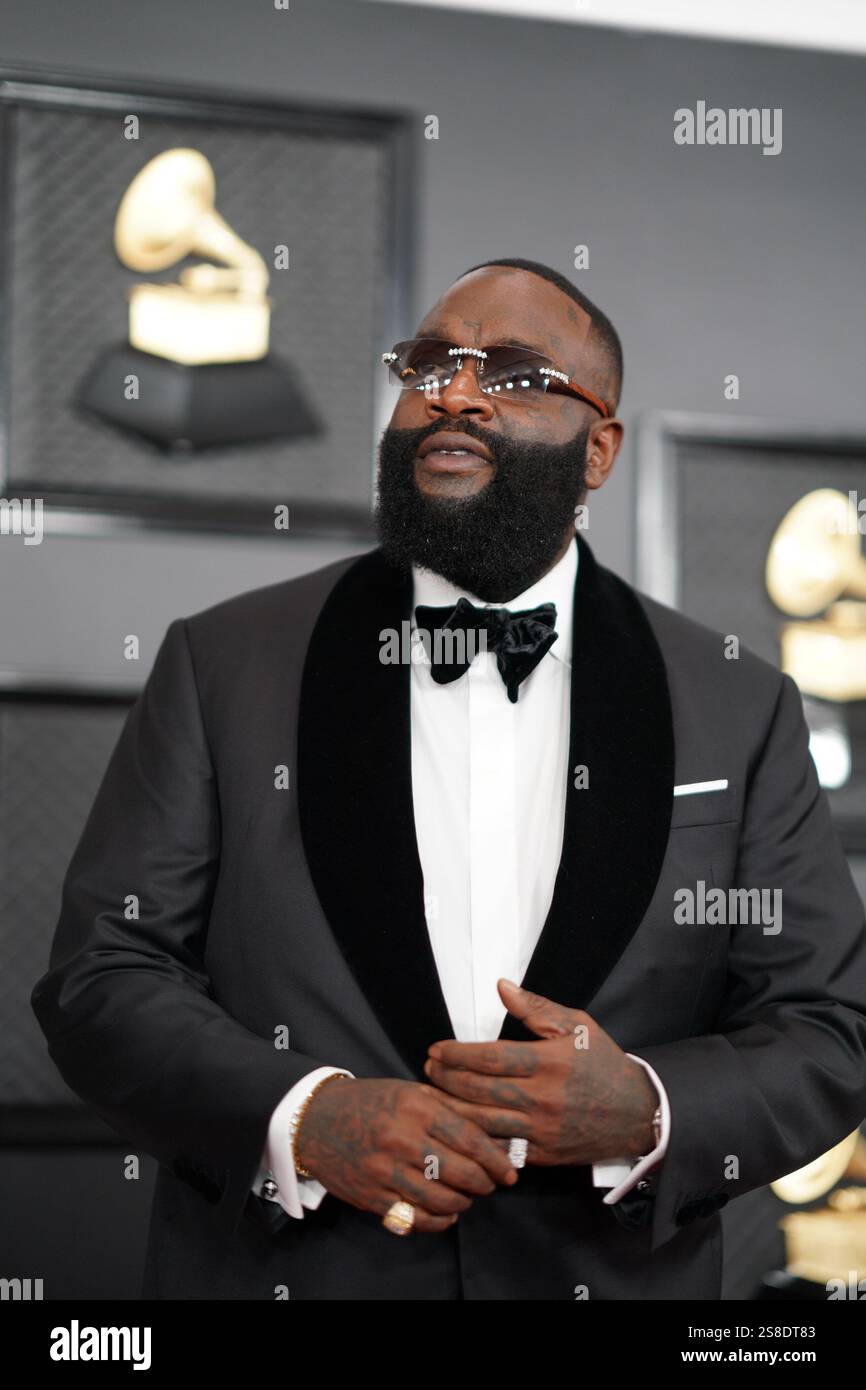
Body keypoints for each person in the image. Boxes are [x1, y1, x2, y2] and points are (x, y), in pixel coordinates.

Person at [32, 258, 866, 1300]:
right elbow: (102, 975)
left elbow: (825, 1027)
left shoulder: (736, 704)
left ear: (597, 449)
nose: (455, 393)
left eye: (514, 374)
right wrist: (304, 1113)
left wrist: (649, 1109)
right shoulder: (223, 662)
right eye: (429, 363)